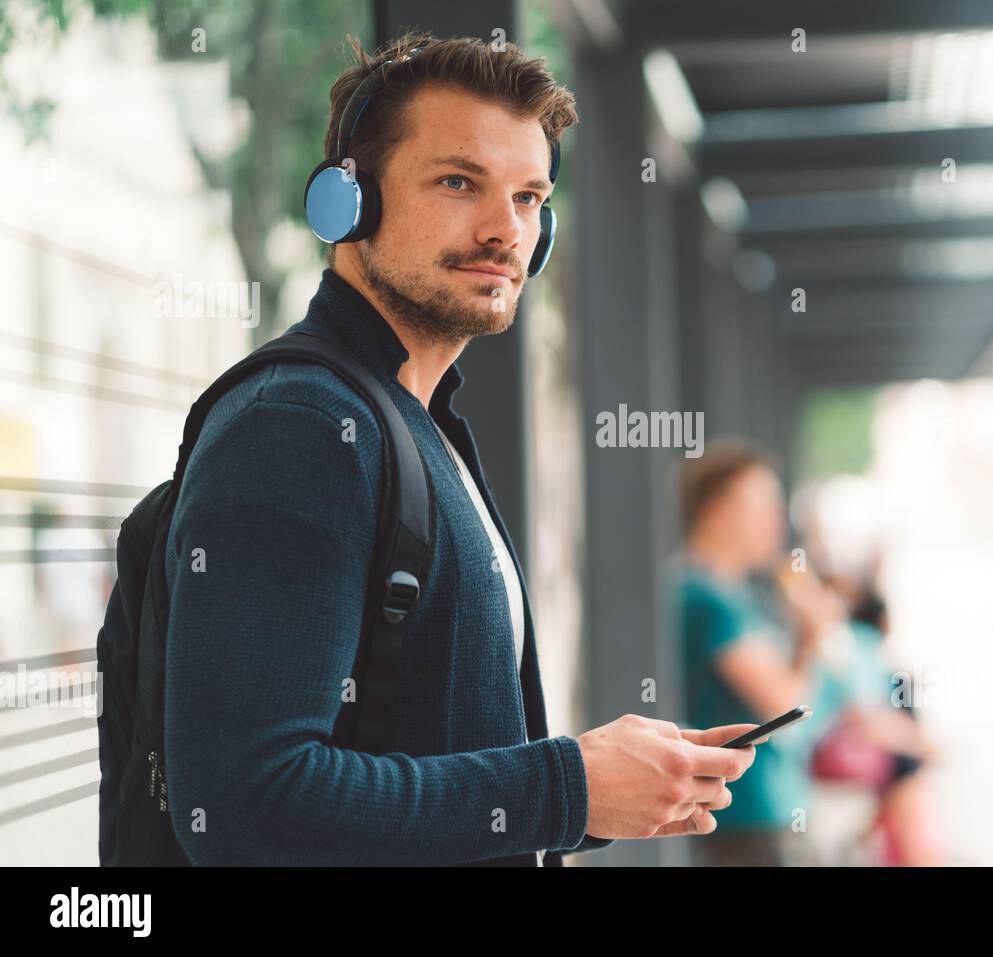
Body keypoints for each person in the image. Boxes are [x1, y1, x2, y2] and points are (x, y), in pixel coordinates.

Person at [162, 32, 757, 866]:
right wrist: (565, 786)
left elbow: (432, 754)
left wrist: (603, 787)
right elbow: (244, 806)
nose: (504, 231)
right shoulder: (301, 423)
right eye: (458, 182)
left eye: (527, 198)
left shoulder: (420, 425)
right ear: (348, 203)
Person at [672, 439, 851, 866]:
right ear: (717, 510)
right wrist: (810, 639)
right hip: (747, 818)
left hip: (765, 811)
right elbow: (786, 707)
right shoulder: (705, 597)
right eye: (761, 507)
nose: (775, 523)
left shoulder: (739, 594)